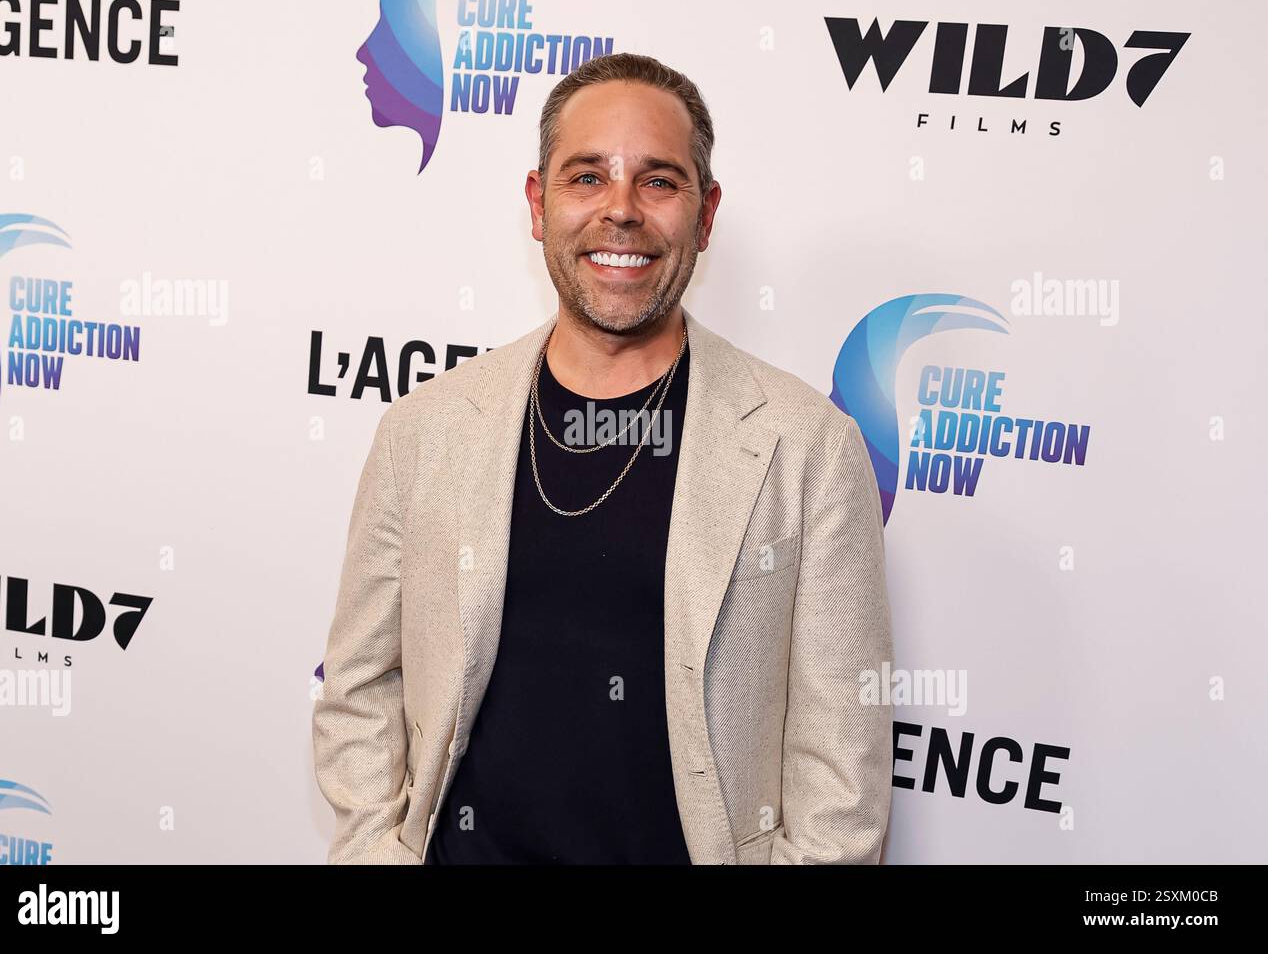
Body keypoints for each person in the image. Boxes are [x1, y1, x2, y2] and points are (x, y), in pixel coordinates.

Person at [312, 52, 894, 865]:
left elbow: (843, 774)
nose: (620, 211)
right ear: (538, 204)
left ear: (706, 212)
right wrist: (378, 849)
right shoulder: (425, 429)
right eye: (587, 177)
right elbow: (359, 690)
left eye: (658, 182)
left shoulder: (808, 447)